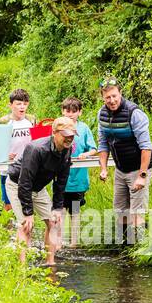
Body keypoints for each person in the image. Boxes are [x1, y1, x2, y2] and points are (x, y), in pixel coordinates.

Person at [7, 115, 76, 266]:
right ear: (54, 133)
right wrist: (28, 212)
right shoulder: (36, 148)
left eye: (71, 136)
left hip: (38, 187)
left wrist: (57, 208)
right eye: (65, 136)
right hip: (17, 184)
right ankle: (22, 268)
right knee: (26, 225)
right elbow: (24, 181)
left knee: (54, 222)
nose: (69, 139)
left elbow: (61, 181)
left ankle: (49, 264)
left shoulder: (67, 149)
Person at [95, 76, 152, 246]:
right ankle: (126, 248)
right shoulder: (102, 114)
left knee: (137, 213)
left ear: (120, 93)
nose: (112, 100)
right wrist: (104, 168)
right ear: (102, 97)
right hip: (121, 169)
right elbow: (103, 142)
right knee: (121, 211)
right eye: (108, 97)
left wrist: (142, 175)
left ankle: (141, 248)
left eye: (114, 96)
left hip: (139, 167)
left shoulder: (134, 113)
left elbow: (146, 147)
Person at [59, 96, 97, 247]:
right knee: (60, 211)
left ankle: (74, 243)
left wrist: (85, 154)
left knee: (75, 212)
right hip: (61, 178)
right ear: (62, 111)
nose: (70, 114)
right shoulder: (58, 127)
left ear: (79, 113)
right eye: (67, 111)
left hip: (78, 179)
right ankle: (60, 242)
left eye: (73, 111)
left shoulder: (84, 128)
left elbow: (94, 149)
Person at [0, 88, 36, 212]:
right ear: (10, 105)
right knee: (9, 206)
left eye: (25, 104)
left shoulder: (32, 121)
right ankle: (9, 230)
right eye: (18, 104)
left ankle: (26, 229)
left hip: (27, 169)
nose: (22, 107)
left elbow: (37, 143)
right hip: (8, 169)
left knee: (27, 205)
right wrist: (4, 154)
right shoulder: (3, 122)